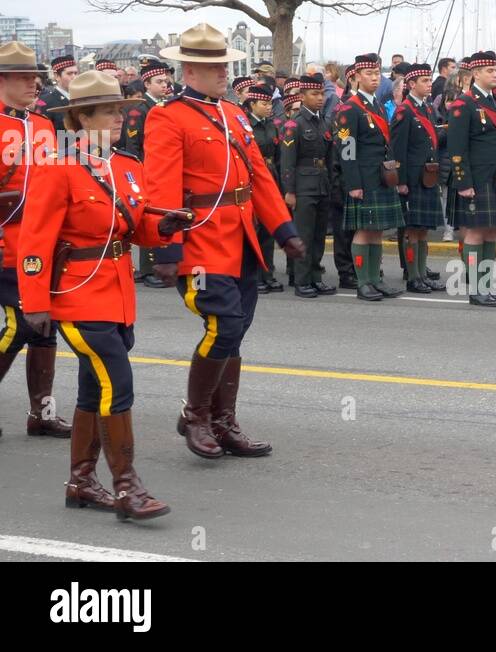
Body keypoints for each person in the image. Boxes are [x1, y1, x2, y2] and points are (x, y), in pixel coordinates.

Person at [18, 70, 191, 519]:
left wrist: (162, 228)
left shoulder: (126, 166)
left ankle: (80, 482)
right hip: (76, 294)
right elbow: (34, 241)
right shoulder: (57, 167)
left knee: (93, 390)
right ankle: (127, 488)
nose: (120, 117)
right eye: (108, 111)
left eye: (120, 109)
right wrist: (34, 301)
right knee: (118, 383)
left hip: (117, 294)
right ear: (79, 117)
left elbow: (135, 229)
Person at [145, 23, 307, 459]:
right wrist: (166, 248)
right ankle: (196, 415)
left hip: (240, 240)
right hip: (199, 240)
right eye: (216, 66)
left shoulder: (234, 114)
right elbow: (161, 185)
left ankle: (223, 420)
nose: (224, 73)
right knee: (224, 325)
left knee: (236, 332)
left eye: (225, 65)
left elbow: (259, 178)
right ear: (190, 70)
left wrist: (284, 230)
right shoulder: (167, 116)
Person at [0, 41, 72, 440]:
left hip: (40, 245)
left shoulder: (42, 125)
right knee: (19, 327)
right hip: (5, 242)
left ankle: (41, 412)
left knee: (45, 326)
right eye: (26, 77)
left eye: (37, 77)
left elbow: (50, 184)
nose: (35, 84)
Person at [447, 50, 496, 306]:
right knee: (475, 234)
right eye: (490, 71)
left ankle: (487, 285)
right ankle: (476, 289)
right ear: (476, 74)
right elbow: (457, 148)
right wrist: (464, 182)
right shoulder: (463, 104)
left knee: (491, 233)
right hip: (476, 178)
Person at [337, 53, 406, 301]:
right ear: (356, 77)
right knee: (365, 231)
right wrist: (354, 184)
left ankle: (376, 279)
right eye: (369, 74)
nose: (375, 78)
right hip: (364, 179)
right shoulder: (349, 109)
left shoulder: (376, 104)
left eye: (377, 73)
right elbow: (347, 150)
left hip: (381, 176)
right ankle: (363, 282)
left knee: (376, 231)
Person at [391, 63, 447, 292]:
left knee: (423, 229)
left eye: (429, 79)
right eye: (424, 80)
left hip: (428, 176)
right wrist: (401, 180)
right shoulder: (404, 111)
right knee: (412, 230)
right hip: (412, 178)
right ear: (411, 84)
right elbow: (398, 149)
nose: (429, 84)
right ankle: (413, 276)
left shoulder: (427, 109)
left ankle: (422, 273)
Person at [280, 73, 336, 299]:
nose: (320, 98)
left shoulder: (324, 121)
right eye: (314, 94)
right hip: (303, 187)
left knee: (319, 235)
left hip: (321, 184)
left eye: (322, 93)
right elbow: (287, 162)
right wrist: (290, 191)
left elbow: (330, 156)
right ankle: (301, 281)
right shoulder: (295, 124)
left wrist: (330, 182)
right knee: (304, 234)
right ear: (302, 96)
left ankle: (315, 276)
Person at [124, 60, 174, 289]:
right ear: (147, 84)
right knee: (147, 215)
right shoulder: (140, 109)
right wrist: (140, 171)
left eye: (166, 81)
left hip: (161, 168)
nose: (165, 85)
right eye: (159, 81)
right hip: (146, 169)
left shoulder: (163, 106)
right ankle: (147, 268)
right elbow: (134, 145)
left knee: (159, 215)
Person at [243, 84, 284, 294]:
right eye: (264, 103)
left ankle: (267, 273)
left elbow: (278, 157)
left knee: (269, 230)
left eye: (270, 103)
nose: (269, 107)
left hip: (270, 177)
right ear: (252, 104)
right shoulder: (245, 126)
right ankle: (255, 276)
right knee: (255, 232)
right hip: (251, 181)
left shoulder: (271, 125)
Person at [37, 55, 78, 132]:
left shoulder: (81, 98)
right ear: (57, 76)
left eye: (76, 73)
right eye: (69, 73)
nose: (74, 77)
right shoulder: (45, 102)